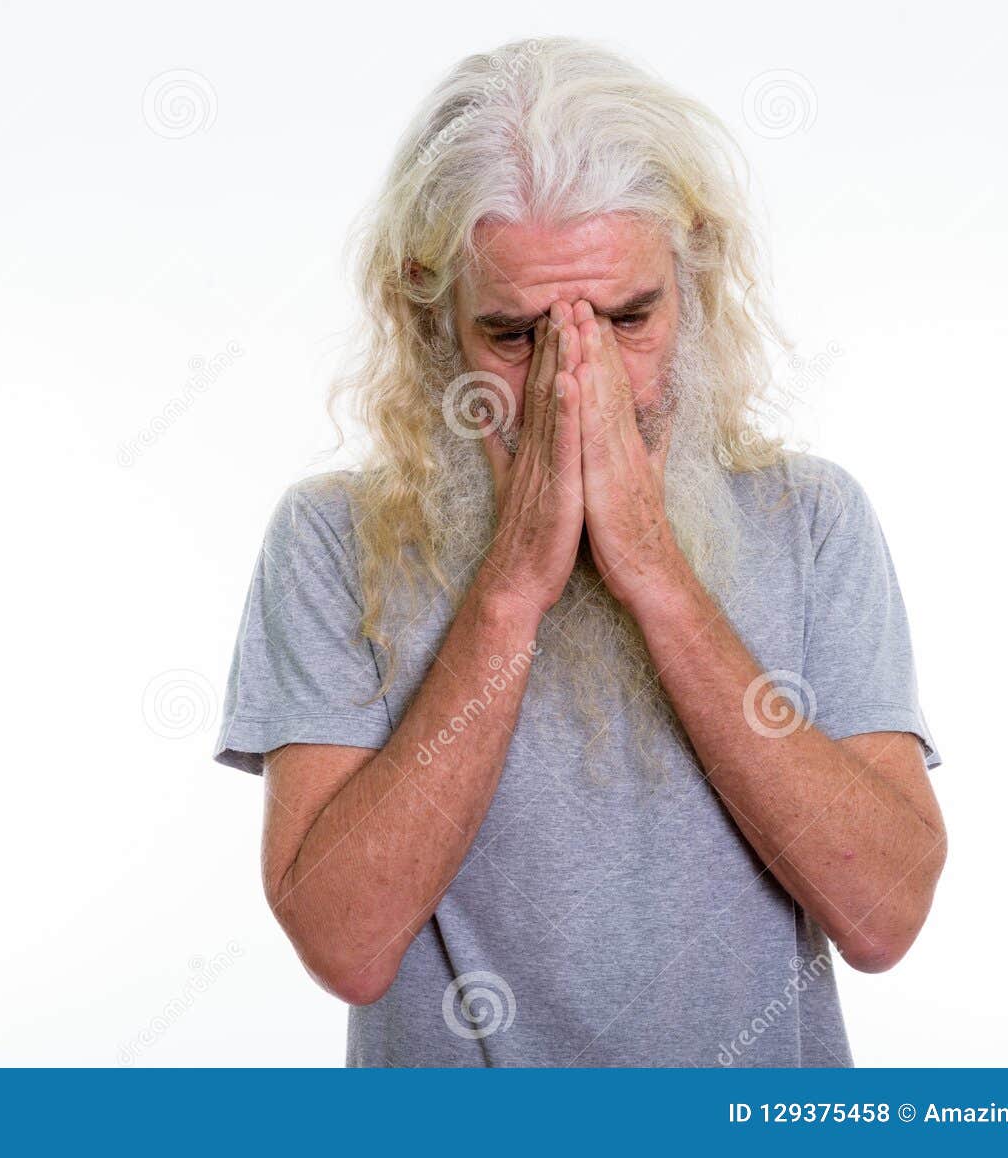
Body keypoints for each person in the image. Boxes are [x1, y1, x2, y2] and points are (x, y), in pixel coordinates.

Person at [214, 37, 945, 1067]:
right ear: (435, 330)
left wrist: (655, 573)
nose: (580, 378)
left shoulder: (811, 519)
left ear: (690, 294)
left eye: (628, 318)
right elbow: (346, 943)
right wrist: (513, 586)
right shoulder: (330, 540)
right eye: (514, 336)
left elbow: (882, 916)